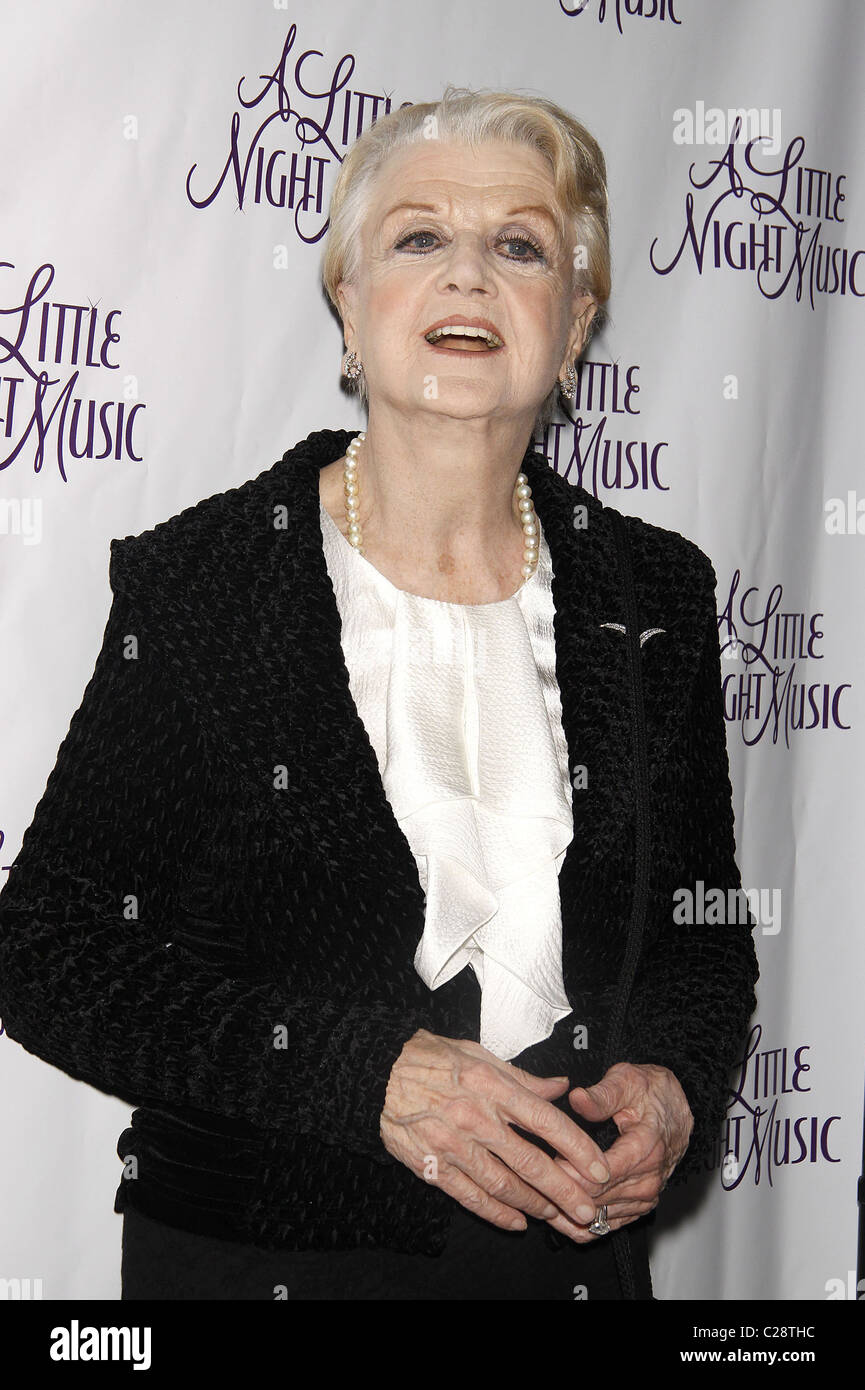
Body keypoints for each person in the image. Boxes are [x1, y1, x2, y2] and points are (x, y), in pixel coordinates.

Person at [0, 86, 759, 1301]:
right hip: (263, 1265)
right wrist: (367, 1077)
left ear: (573, 325)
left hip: (567, 1268)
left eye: (519, 246)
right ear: (350, 306)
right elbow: (47, 948)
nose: (469, 274)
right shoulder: (207, 585)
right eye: (418, 239)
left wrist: (672, 1081)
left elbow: (704, 935)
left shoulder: (655, 592)